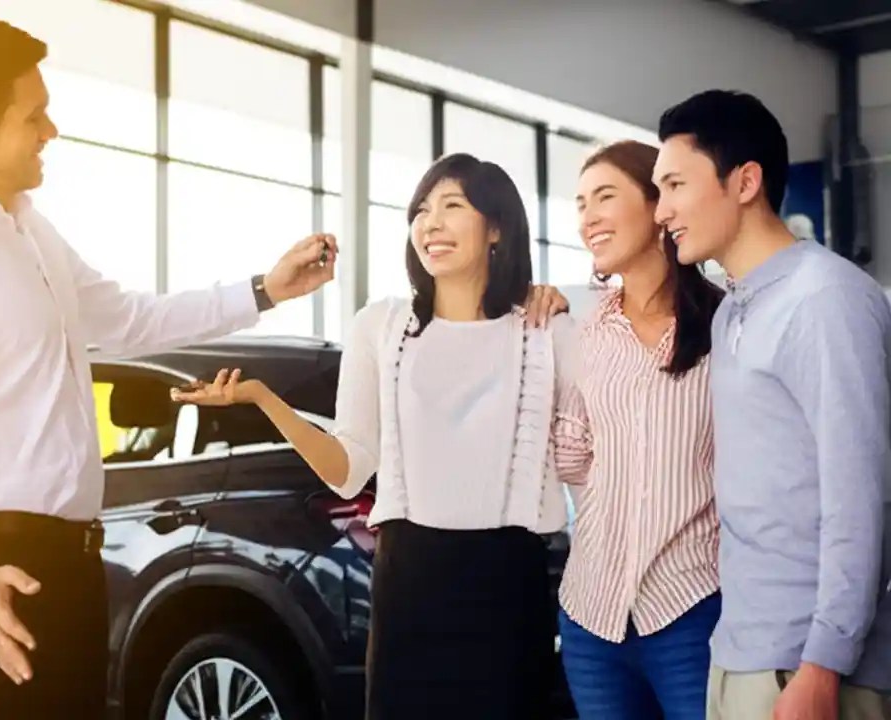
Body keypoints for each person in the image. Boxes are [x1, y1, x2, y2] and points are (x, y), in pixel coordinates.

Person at [0, 13, 337, 720]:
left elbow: (131, 319)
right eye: (34, 114)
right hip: (4, 571)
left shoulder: (27, 228)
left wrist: (265, 289)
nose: (50, 130)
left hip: (76, 560)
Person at [172, 152, 579, 719]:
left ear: (497, 228)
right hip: (409, 579)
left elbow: (603, 419)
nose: (430, 223)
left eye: (452, 206)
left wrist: (567, 298)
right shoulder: (383, 326)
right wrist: (266, 400)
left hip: (509, 584)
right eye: (421, 210)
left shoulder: (546, 329)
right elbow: (348, 469)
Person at [653, 89, 891, 720]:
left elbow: (860, 495)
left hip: (807, 667)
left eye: (675, 184)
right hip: (741, 652)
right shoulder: (735, 305)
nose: (662, 210)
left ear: (745, 181)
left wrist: (823, 664)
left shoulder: (826, 299)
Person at [552, 140, 724, 719]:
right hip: (591, 620)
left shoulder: (727, 324)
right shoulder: (582, 332)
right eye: (580, 204)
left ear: (658, 208)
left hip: (694, 610)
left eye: (605, 197)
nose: (588, 217)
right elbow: (571, 460)